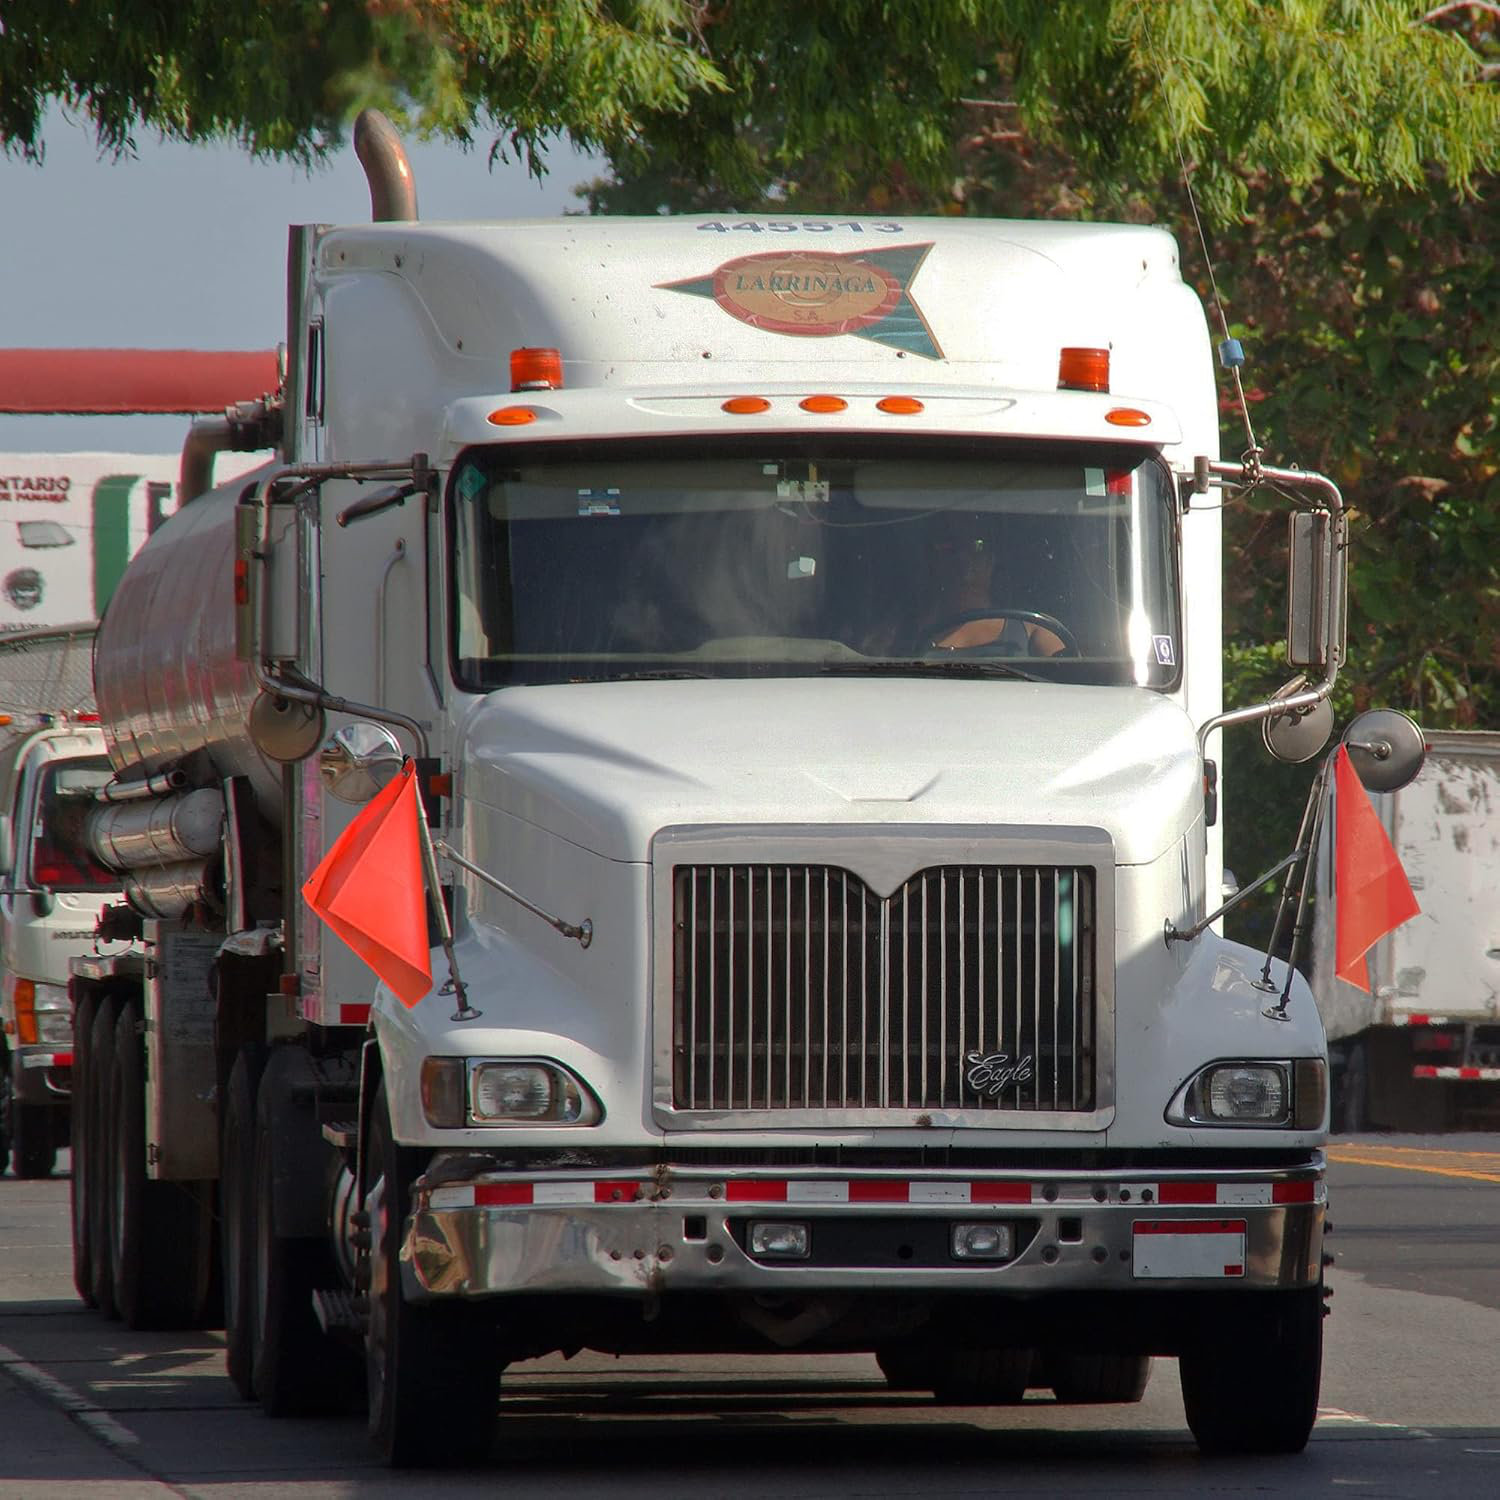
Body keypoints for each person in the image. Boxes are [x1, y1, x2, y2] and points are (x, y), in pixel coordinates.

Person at [905, 512, 1069, 656]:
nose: (963, 559)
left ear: (993, 559)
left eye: (977, 546)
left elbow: (1071, 683)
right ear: (931, 559)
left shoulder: (1036, 632)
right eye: (949, 547)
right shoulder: (903, 636)